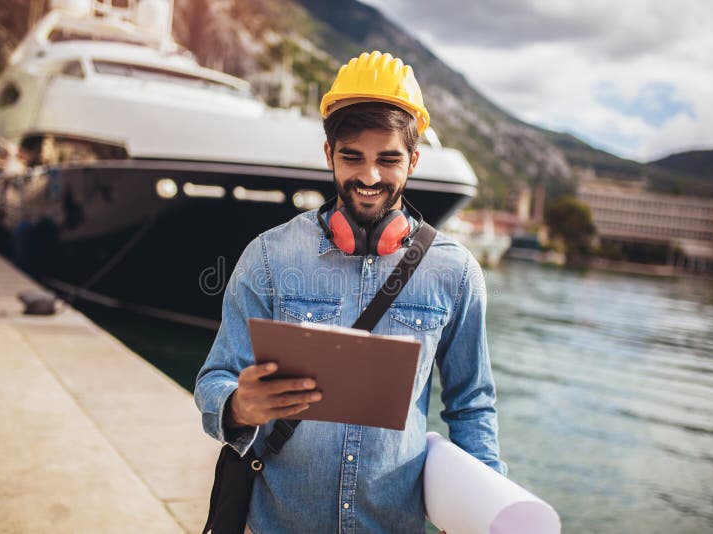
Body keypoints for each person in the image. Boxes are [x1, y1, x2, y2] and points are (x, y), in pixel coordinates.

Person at [195, 51, 505, 533]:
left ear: (414, 160)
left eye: (389, 159)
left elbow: (471, 404)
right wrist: (237, 406)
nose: (369, 176)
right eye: (351, 157)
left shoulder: (457, 273)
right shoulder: (268, 257)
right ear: (328, 154)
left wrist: (484, 506)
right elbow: (215, 377)